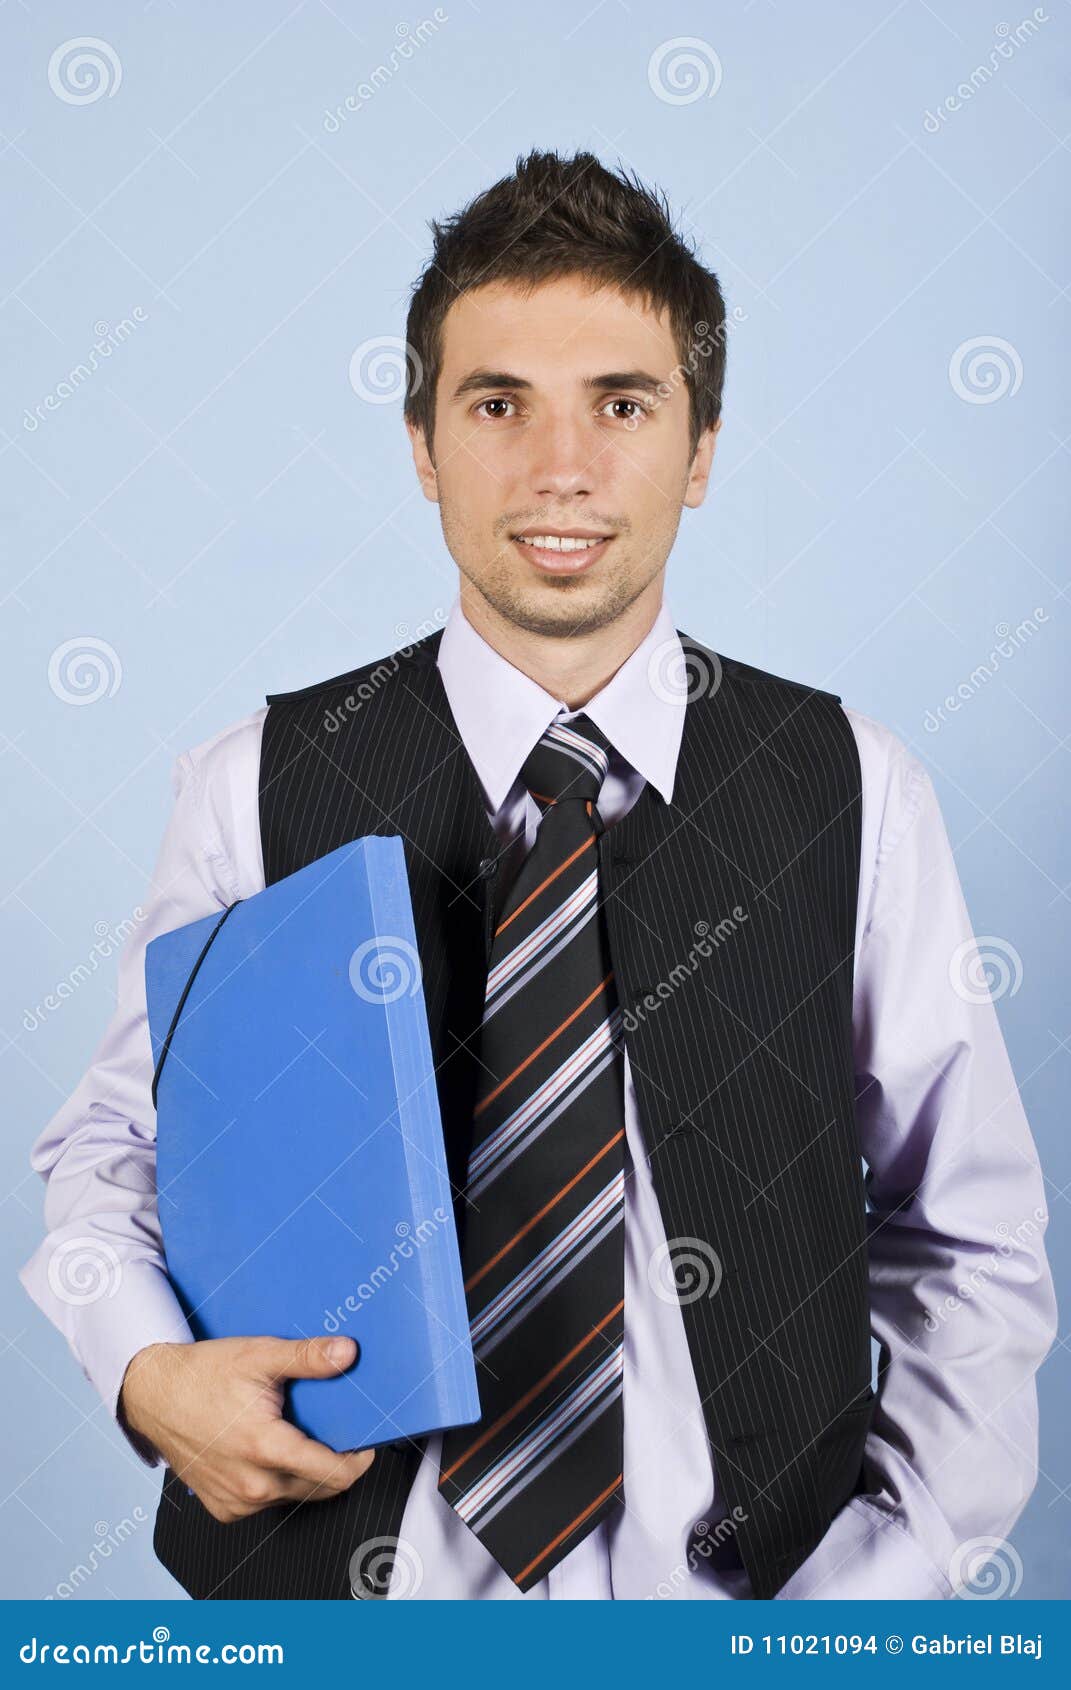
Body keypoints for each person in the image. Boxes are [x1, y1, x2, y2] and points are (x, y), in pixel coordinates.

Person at [21, 150, 1056, 1601]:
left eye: (621, 405)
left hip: (754, 1628)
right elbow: (106, 1156)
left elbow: (972, 1238)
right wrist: (143, 1370)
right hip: (342, 1623)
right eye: (497, 404)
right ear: (421, 444)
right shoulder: (254, 776)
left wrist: (878, 1593)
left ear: (701, 450)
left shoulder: (854, 782)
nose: (559, 468)